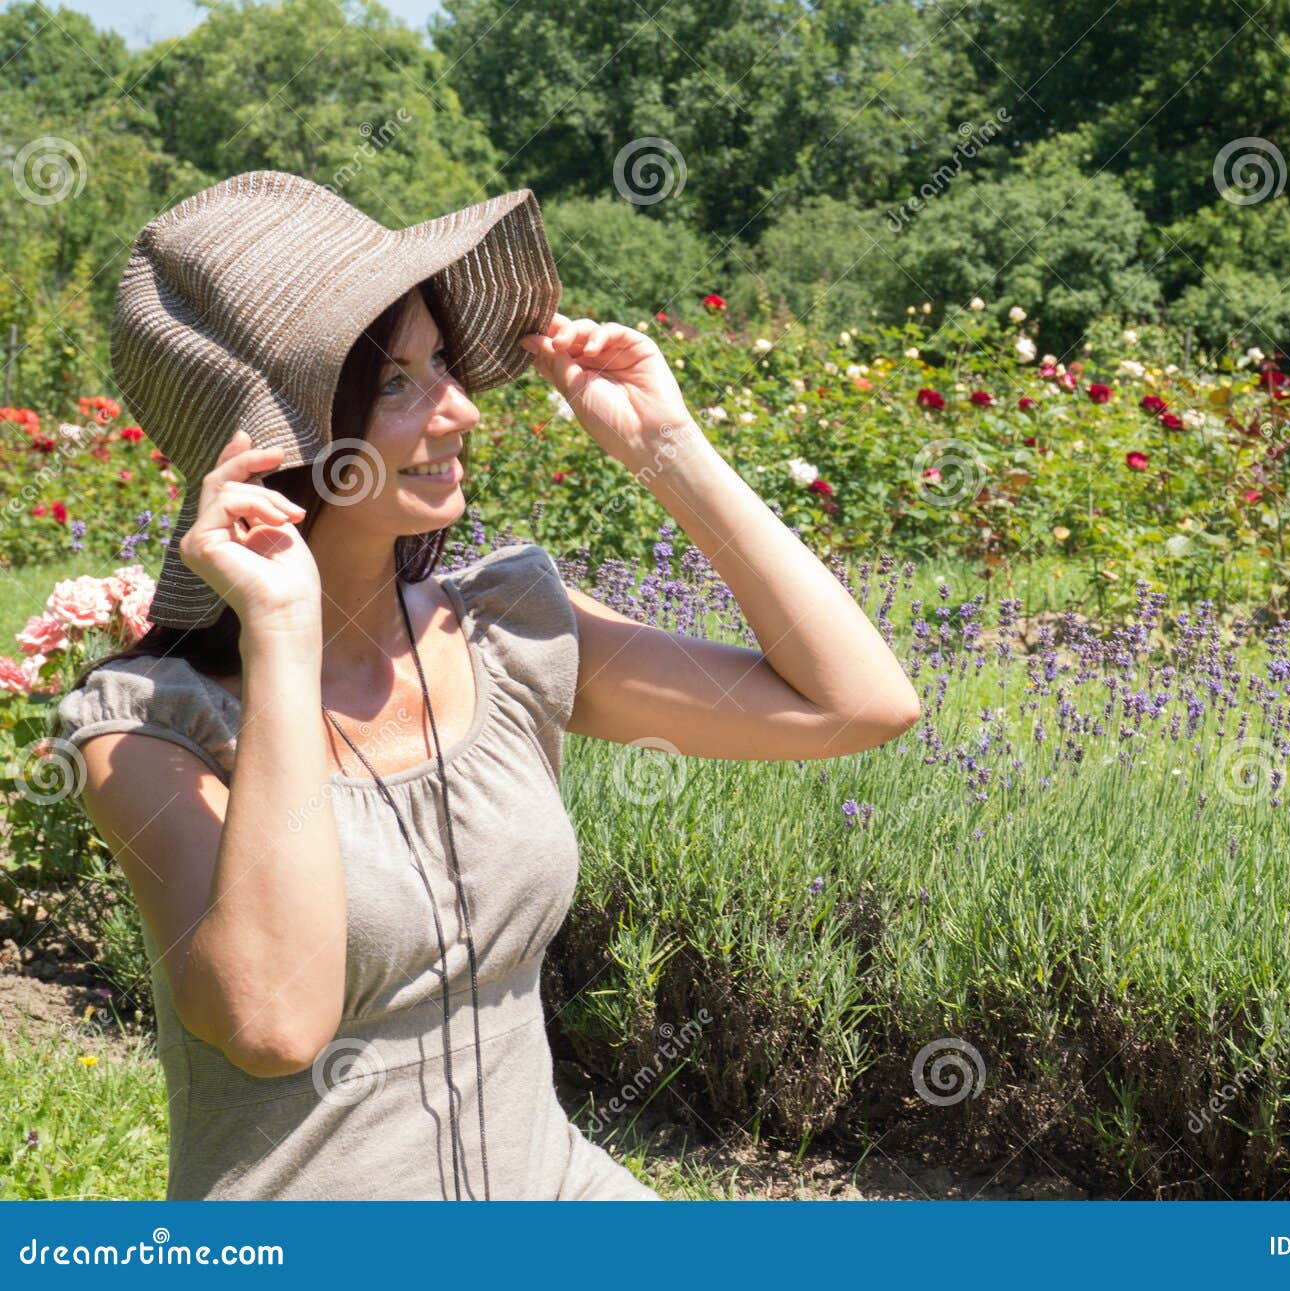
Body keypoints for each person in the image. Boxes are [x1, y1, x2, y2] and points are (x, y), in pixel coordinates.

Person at [52, 176, 920, 1201]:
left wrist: (666, 449)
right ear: (279, 445)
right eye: (396, 383)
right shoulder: (147, 729)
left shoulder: (505, 628)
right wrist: (284, 636)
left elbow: (856, 705)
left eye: (445, 363)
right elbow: (275, 1024)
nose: (461, 408)